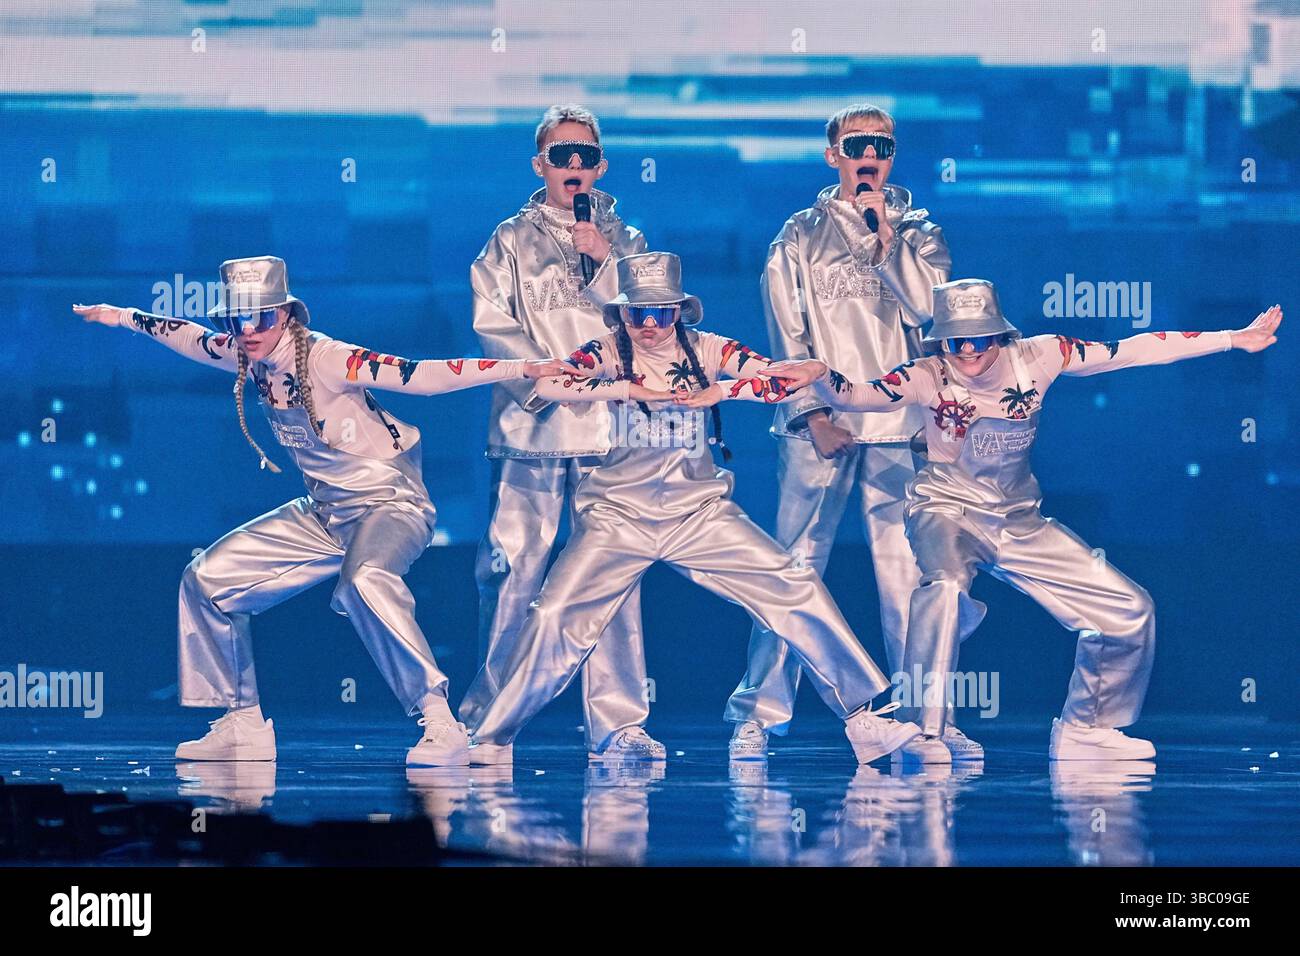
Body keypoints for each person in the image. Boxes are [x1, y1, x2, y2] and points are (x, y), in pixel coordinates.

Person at [729, 278, 1283, 762]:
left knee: (1129, 610)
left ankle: (1087, 728)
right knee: (943, 588)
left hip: (1020, 520)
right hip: (945, 509)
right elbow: (860, 395)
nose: (967, 350)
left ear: (1000, 334)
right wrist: (821, 376)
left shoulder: (1042, 356)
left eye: (978, 337)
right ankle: (923, 729)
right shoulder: (927, 374)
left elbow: (1134, 349)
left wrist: (1234, 338)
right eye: (955, 339)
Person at [71, 255, 569, 767]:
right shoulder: (246, 356)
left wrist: (522, 367)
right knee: (207, 580)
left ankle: (440, 720)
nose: (247, 331)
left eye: (260, 318)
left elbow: (421, 376)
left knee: (366, 581)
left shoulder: (328, 358)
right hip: (325, 514)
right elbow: (185, 336)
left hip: (390, 504)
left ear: (286, 315)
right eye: (235, 320)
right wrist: (123, 315)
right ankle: (240, 720)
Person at [464, 252, 922, 767]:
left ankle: (860, 719)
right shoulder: (606, 352)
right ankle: (493, 737)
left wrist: (736, 387)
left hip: (700, 513)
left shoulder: (707, 348)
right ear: (621, 314)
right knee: (552, 615)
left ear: (680, 310)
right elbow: (550, 384)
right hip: (617, 517)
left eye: (662, 312)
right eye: (639, 313)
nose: (651, 325)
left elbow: (776, 379)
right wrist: (631, 387)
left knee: (796, 586)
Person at [722, 103, 972, 762]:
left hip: (902, 423)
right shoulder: (798, 235)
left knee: (907, 577)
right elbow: (787, 333)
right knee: (792, 567)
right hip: (822, 423)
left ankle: (924, 719)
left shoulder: (919, 232)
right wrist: (811, 411)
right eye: (856, 144)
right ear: (832, 153)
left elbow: (933, 311)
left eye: (881, 146)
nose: (870, 155)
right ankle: (761, 711)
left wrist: (887, 241)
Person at [462, 104, 663, 761]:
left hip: (612, 430)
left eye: (585, 157)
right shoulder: (507, 241)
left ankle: (619, 720)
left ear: (600, 166)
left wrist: (604, 260)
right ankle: (492, 711)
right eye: (560, 156)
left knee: (612, 572)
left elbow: (654, 319)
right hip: (533, 427)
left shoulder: (626, 238)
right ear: (540, 165)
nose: (573, 168)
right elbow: (490, 321)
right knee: (513, 566)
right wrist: (540, 380)